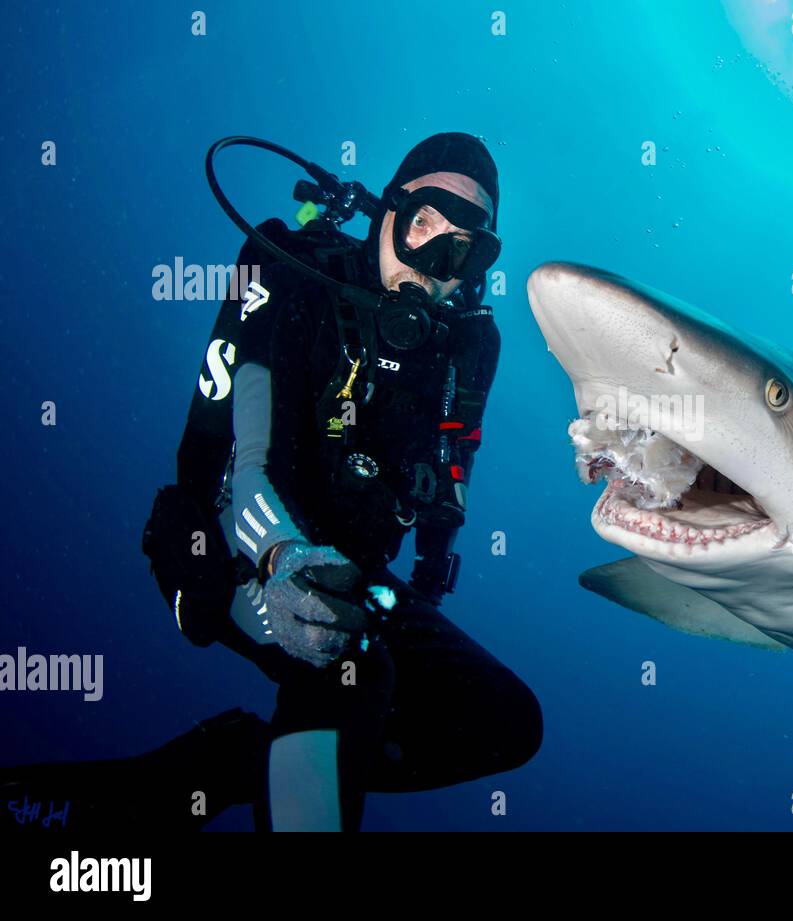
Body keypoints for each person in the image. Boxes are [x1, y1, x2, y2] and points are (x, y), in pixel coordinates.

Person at [2, 133, 542, 833]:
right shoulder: (293, 270)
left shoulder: (465, 346)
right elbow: (245, 453)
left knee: (505, 720)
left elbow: (454, 463)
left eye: (463, 250)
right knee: (356, 667)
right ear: (385, 213)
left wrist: (433, 569)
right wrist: (281, 556)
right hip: (228, 543)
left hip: (353, 569)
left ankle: (233, 763)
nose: (437, 265)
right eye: (423, 227)